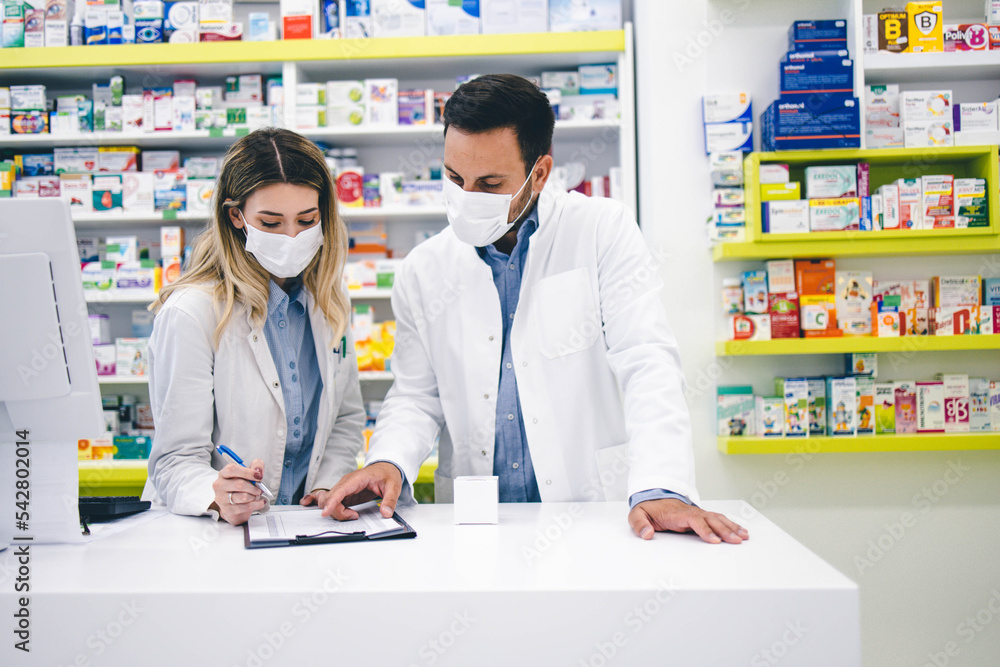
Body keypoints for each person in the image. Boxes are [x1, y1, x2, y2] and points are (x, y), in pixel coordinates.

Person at [321, 75, 748, 544]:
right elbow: (416, 396)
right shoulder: (425, 268)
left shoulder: (602, 231)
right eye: (453, 178)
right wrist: (389, 459)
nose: (466, 197)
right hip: (478, 519)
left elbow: (647, 362)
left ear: (539, 173)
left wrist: (662, 484)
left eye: (489, 183)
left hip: (588, 513)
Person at [142, 128, 365, 526]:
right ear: (236, 216)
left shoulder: (330, 300)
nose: (292, 236)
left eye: (307, 219)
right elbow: (174, 462)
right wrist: (215, 493)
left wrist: (327, 484)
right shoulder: (193, 313)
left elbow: (345, 419)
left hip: (305, 525)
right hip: (210, 535)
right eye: (271, 222)